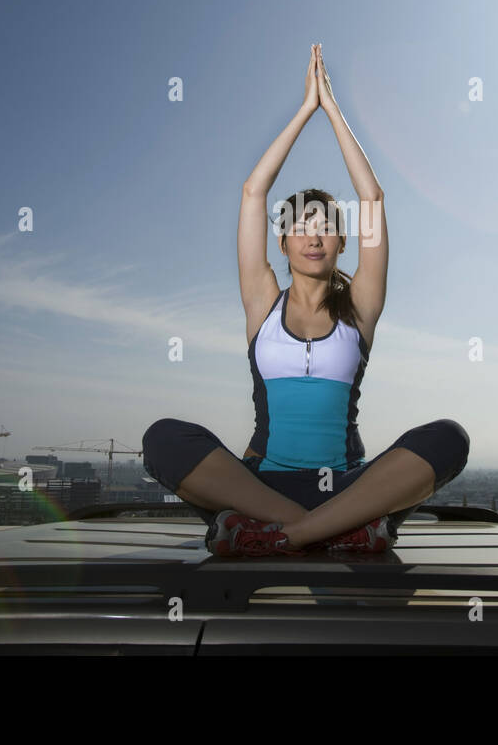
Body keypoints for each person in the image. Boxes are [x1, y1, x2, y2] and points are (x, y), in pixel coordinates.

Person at [141, 43, 469, 556]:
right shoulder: (262, 302)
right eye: (300, 226)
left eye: (326, 228)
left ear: (343, 242)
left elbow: (372, 200)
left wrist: (333, 109)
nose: (314, 235)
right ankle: (335, 531)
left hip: (347, 488)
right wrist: (304, 110)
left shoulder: (360, 306)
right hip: (262, 490)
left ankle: (282, 537)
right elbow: (254, 190)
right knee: (163, 436)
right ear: (283, 242)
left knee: (449, 437)